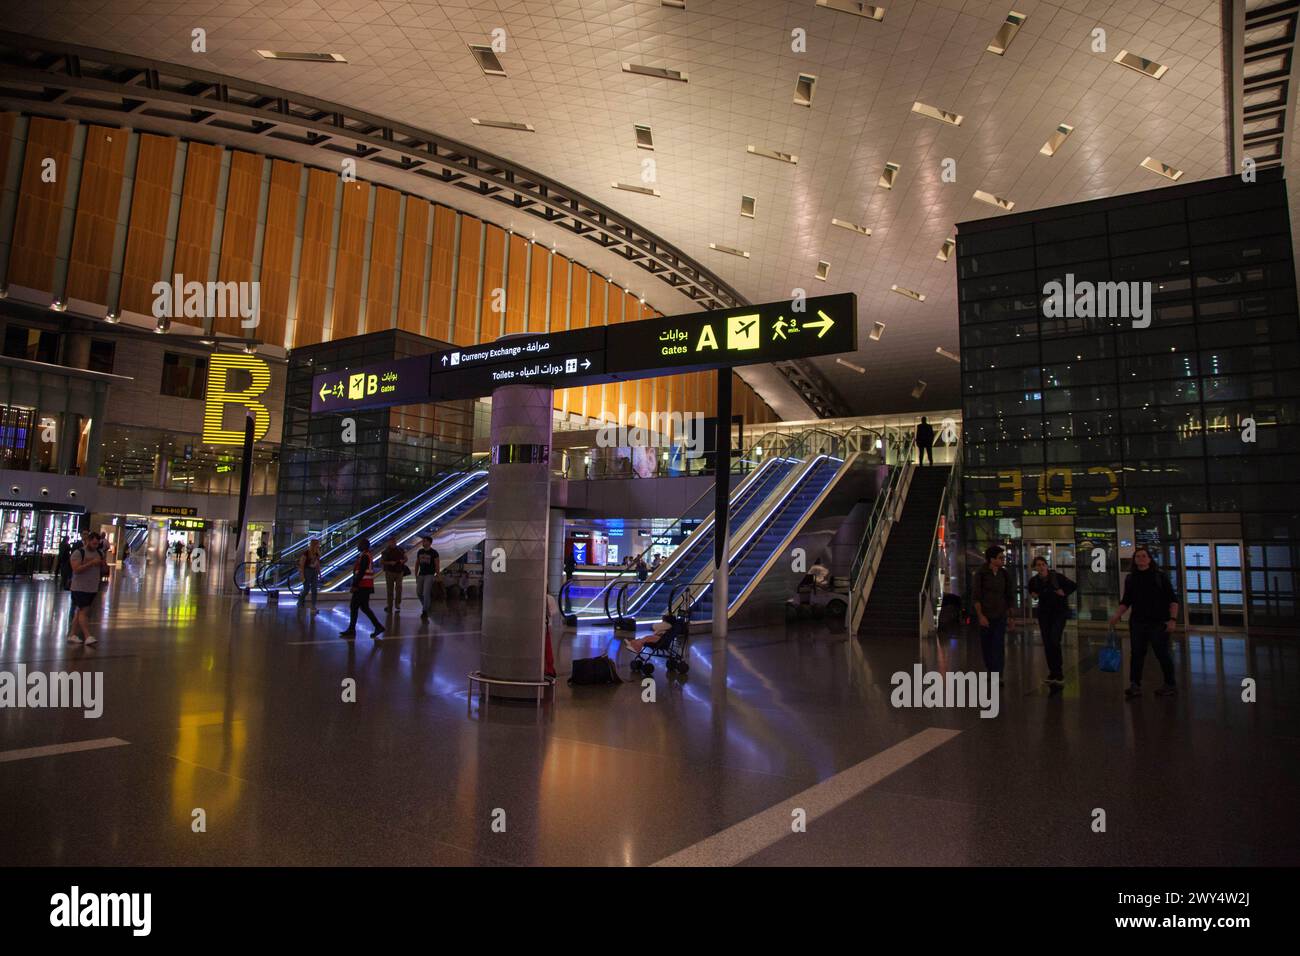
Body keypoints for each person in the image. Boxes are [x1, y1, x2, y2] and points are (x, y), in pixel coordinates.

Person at [1108, 546, 1180, 698]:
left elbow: (1173, 600)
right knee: (1137, 654)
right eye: (1138, 556)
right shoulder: (1131, 578)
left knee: (1162, 654)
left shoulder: (1159, 577)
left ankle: (1170, 683)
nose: (1140, 559)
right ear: (1134, 560)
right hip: (1138, 622)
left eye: (1143, 556)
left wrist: (1172, 620)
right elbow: (1126, 601)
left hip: (1158, 622)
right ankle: (1135, 684)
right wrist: (1116, 615)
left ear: (1149, 559)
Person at [1027, 556, 1076, 692]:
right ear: (1035, 568)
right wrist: (1034, 595)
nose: (1041, 567)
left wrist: (1063, 592)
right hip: (1044, 615)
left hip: (1059, 613)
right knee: (1048, 642)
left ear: (1047, 566)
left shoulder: (1057, 577)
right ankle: (1053, 672)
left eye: (1043, 564)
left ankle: (1058, 672)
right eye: (1038, 565)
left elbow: (1073, 586)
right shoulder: (1034, 581)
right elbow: (1031, 592)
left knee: (1054, 639)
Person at [972, 545, 1016, 680]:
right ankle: (991, 669)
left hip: (1000, 614)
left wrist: (1011, 617)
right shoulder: (981, 573)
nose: (1003, 560)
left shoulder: (1004, 574)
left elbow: (1009, 595)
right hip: (986, 614)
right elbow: (976, 596)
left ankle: (998, 673)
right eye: (1000, 558)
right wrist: (980, 615)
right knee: (987, 645)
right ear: (991, 559)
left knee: (998, 643)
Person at [341, 538, 385, 640]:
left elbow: (361, 572)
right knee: (363, 607)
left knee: (354, 606)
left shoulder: (365, 556)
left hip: (362, 585)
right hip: (365, 585)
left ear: (364, 546)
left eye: (359, 544)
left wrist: (355, 585)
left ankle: (353, 629)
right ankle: (377, 626)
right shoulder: (364, 556)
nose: (357, 546)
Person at [67, 531, 105, 646]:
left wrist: (102, 565)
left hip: (92, 588)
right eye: (93, 543)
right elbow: (76, 569)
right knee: (84, 611)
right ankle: (87, 635)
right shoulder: (79, 553)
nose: (95, 545)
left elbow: (103, 569)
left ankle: (72, 634)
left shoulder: (99, 553)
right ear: (88, 541)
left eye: (97, 544)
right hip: (79, 587)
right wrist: (91, 563)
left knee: (80, 611)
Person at [415, 534, 440, 619]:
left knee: (426, 593)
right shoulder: (420, 551)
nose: (423, 542)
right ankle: (426, 605)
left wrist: (437, 575)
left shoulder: (434, 552)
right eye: (423, 541)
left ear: (429, 542)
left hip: (430, 575)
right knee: (419, 592)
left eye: (425, 541)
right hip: (421, 574)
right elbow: (417, 563)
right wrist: (416, 574)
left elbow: (437, 564)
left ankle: (425, 610)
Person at [381, 535, 406, 612]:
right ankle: (390, 605)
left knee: (399, 588)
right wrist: (389, 563)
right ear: (389, 543)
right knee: (390, 590)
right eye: (392, 542)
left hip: (399, 571)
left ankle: (397, 603)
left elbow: (406, 558)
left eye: (394, 541)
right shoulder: (385, 551)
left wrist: (403, 561)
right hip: (390, 571)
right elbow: (382, 562)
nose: (393, 543)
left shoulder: (400, 550)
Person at [298, 539, 322, 608]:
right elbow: (302, 564)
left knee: (314, 589)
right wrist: (302, 574)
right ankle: (300, 600)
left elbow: (318, 563)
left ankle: (313, 605)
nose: (318, 546)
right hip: (307, 571)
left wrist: (319, 573)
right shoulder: (306, 553)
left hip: (314, 571)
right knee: (306, 589)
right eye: (317, 544)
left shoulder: (317, 554)